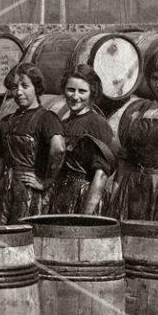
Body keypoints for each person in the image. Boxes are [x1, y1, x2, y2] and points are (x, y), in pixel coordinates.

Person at [0, 63, 65, 225]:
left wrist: (46, 181)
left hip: (31, 196)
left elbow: (58, 148)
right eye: (14, 87)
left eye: (25, 86)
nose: (18, 92)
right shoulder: (6, 122)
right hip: (5, 192)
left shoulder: (46, 118)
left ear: (36, 88)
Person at [108, 48, 158, 221]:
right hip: (131, 191)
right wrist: (114, 198)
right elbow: (125, 161)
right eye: (154, 78)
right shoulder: (138, 110)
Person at [48, 65, 115, 215]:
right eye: (71, 90)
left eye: (82, 91)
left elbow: (101, 174)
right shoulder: (64, 124)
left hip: (83, 196)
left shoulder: (97, 124)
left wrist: (86, 215)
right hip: (61, 195)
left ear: (92, 93)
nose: (75, 96)